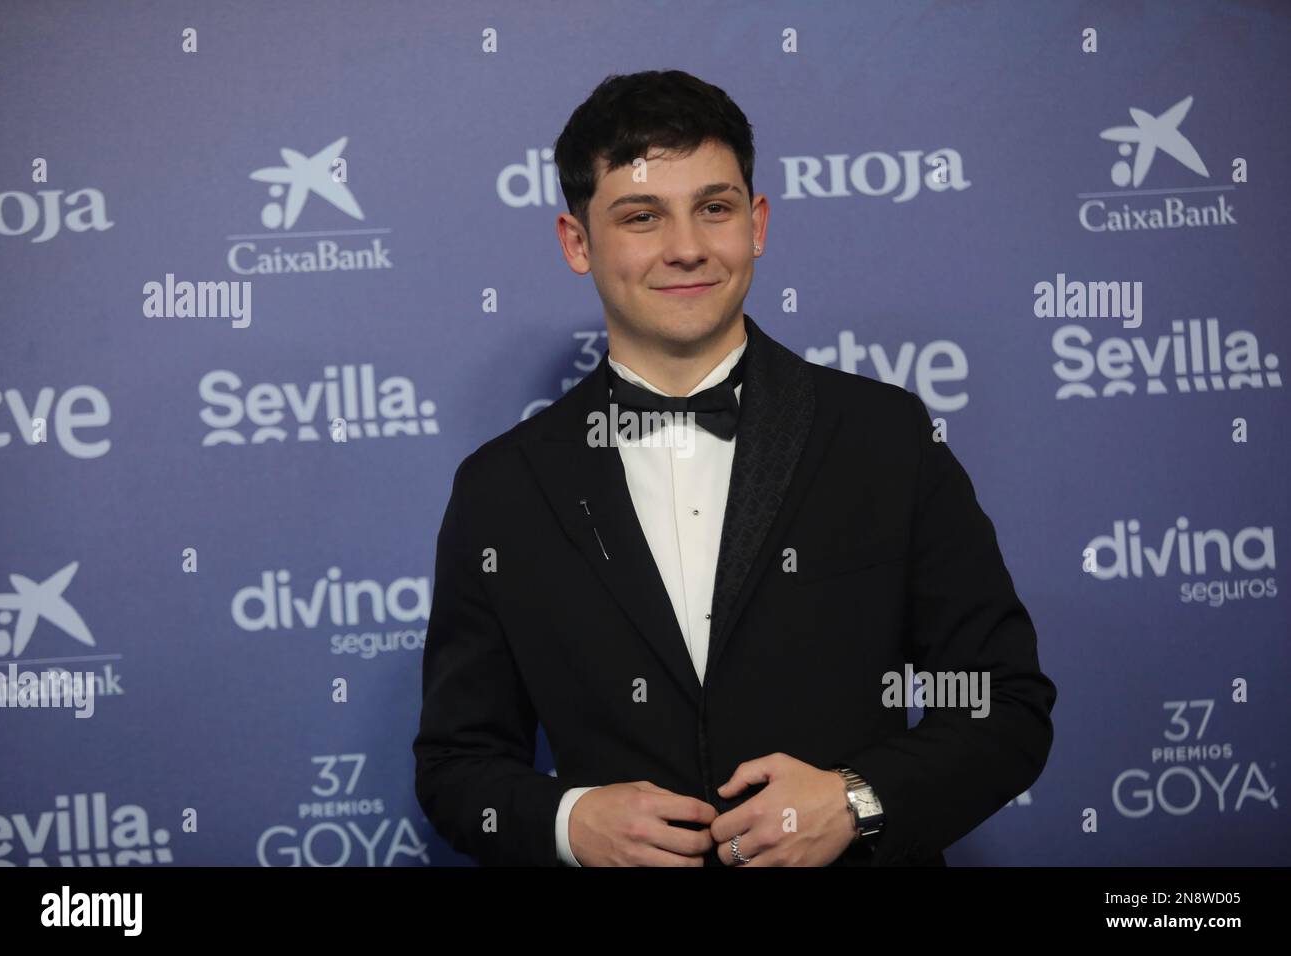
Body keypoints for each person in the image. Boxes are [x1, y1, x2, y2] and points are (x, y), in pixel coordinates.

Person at [412, 69, 1056, 867]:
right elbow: (454, 767)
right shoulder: (502, 490)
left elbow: (1006, 708)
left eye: (713, 209)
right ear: (577, 242)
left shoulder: (884, 438)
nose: (686, 248)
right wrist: (569, 822)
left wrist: (859, 799)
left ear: (756, 223)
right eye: (642, 217)